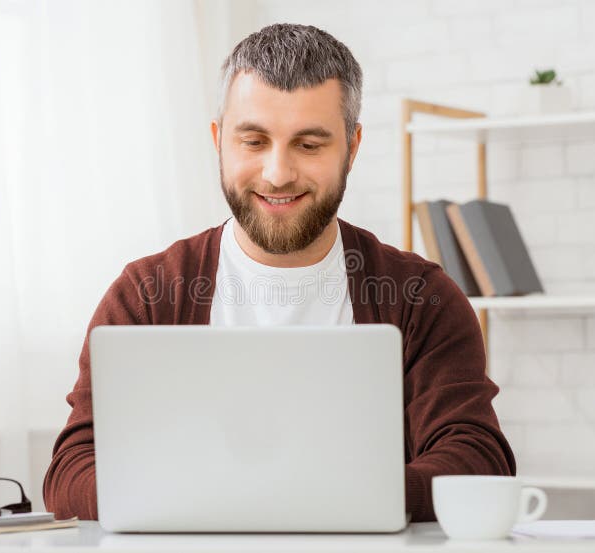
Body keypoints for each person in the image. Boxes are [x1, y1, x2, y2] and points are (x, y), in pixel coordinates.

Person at [43, 23, 515, 522]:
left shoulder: (422, 299)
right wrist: (269, 497)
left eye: (309, 145)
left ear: (351, 148)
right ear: (218, 140)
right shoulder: (147, 293)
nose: (277, 173)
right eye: (253, 141)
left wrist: (294, 498)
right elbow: (72, 472)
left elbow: (477, 460)